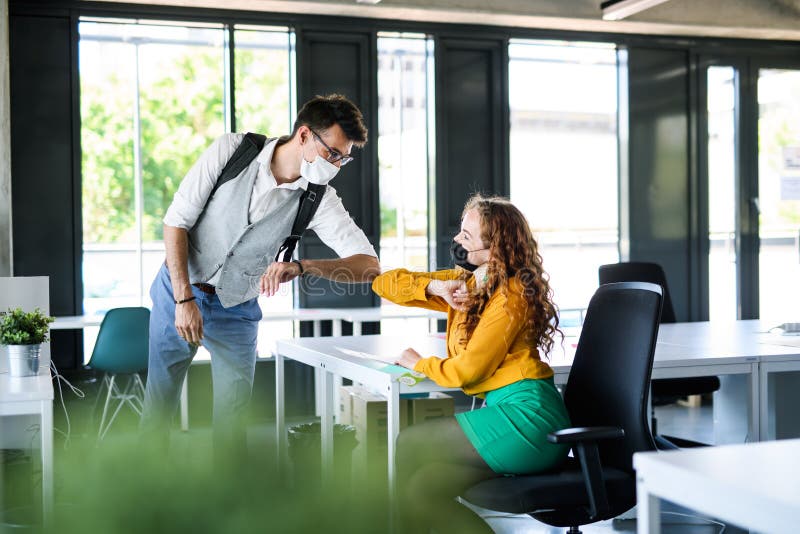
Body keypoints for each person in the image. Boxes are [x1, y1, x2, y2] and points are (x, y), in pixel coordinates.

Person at [140, 94, 380, 457]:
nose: (338, 165)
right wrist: (183, 298)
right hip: (179, 290)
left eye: (344, 158)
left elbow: (369, 266)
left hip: (237, 310)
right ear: (304, 135)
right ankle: (143, 500)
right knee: (158, 406)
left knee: (234, 425)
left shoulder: (319, 199)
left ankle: (227, 505)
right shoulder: (232, 151)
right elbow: (176, 222)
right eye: (333, 153)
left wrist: (303, 266)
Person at [372, 194, 570, 533]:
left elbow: (468, 370)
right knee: (426, 487)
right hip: (507, 414)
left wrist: (421, 363)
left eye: (467, 236)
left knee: (410, 443)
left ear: (496, 247)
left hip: (529, 420)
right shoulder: (468, 283)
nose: (457, 241)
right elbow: (384, 283)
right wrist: (435, 286)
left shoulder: (512, 295)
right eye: (460, 232)